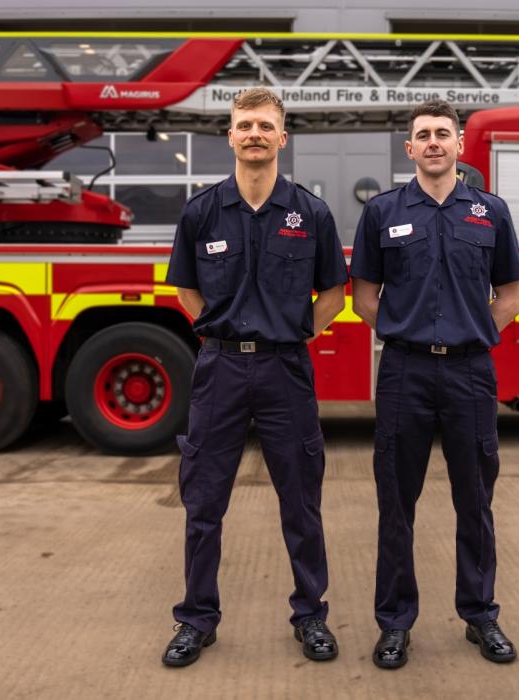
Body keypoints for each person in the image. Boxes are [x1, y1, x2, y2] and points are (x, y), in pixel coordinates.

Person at [162, 87, 347, 667]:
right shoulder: (201, 211)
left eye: (266, 125)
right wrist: (213, 328)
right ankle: (197, 619)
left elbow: (336, 294)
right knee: (204, 501)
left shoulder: (310, 212)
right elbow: (186, 287)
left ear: (282, 138)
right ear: (231, 136)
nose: (255, 134)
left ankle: (310, 615)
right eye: (245, 125)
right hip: (219, 368)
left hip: (284, 369)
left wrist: (293, 333)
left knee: (301, 499)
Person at [350, 99, 519, 669]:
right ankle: (395, 623)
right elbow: (364, 298)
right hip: (404, 371)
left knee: (475, 500)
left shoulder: (491, 213)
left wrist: (471, 334)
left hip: (471, 373)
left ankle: (480, 615)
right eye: (423, 135)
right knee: (396, 502)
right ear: (410, 149)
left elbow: (512, 296)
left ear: (459, 146)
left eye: (442, 134)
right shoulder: (381, 214)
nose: (432, 143)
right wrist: (407, 335)